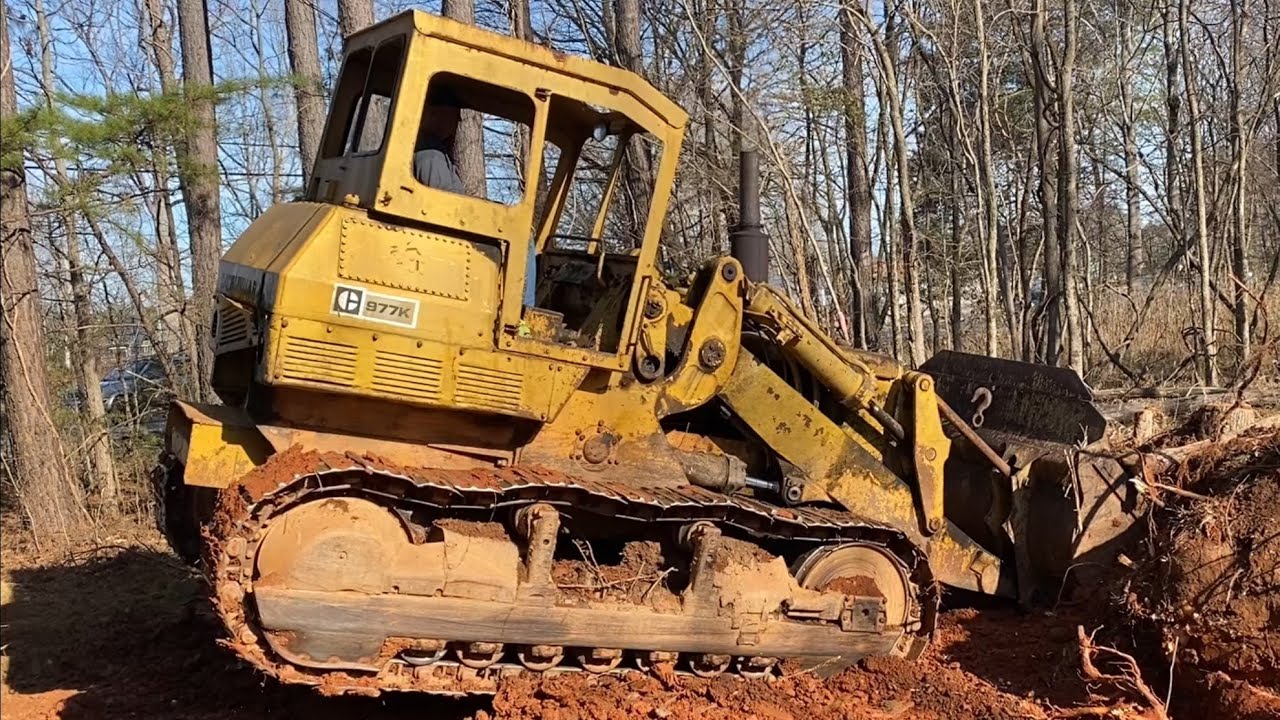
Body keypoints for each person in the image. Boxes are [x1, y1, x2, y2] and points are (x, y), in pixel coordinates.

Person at [413, 85, 538, 308]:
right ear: (432, 113)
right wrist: (489, 212)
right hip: (449, 232)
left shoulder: (434, 151)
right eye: (452, 116)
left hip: (453, 226)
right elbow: (444, 202)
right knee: (521, 236)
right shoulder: (429, 155)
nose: (455, 123)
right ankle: (521, 312)